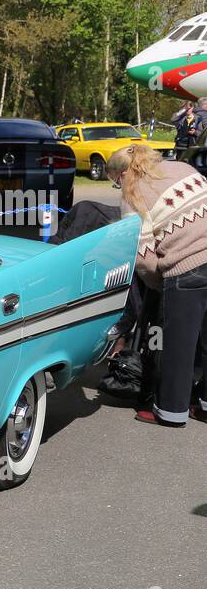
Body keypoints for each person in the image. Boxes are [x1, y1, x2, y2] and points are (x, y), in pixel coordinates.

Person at [106, 143, 207, 425]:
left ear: (122, 174)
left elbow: (145, 258)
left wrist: (159, 285)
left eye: (116, 182)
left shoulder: (132, 195)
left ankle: (171, 412)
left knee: (179, 345)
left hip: (187, 268)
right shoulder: (184, 168)